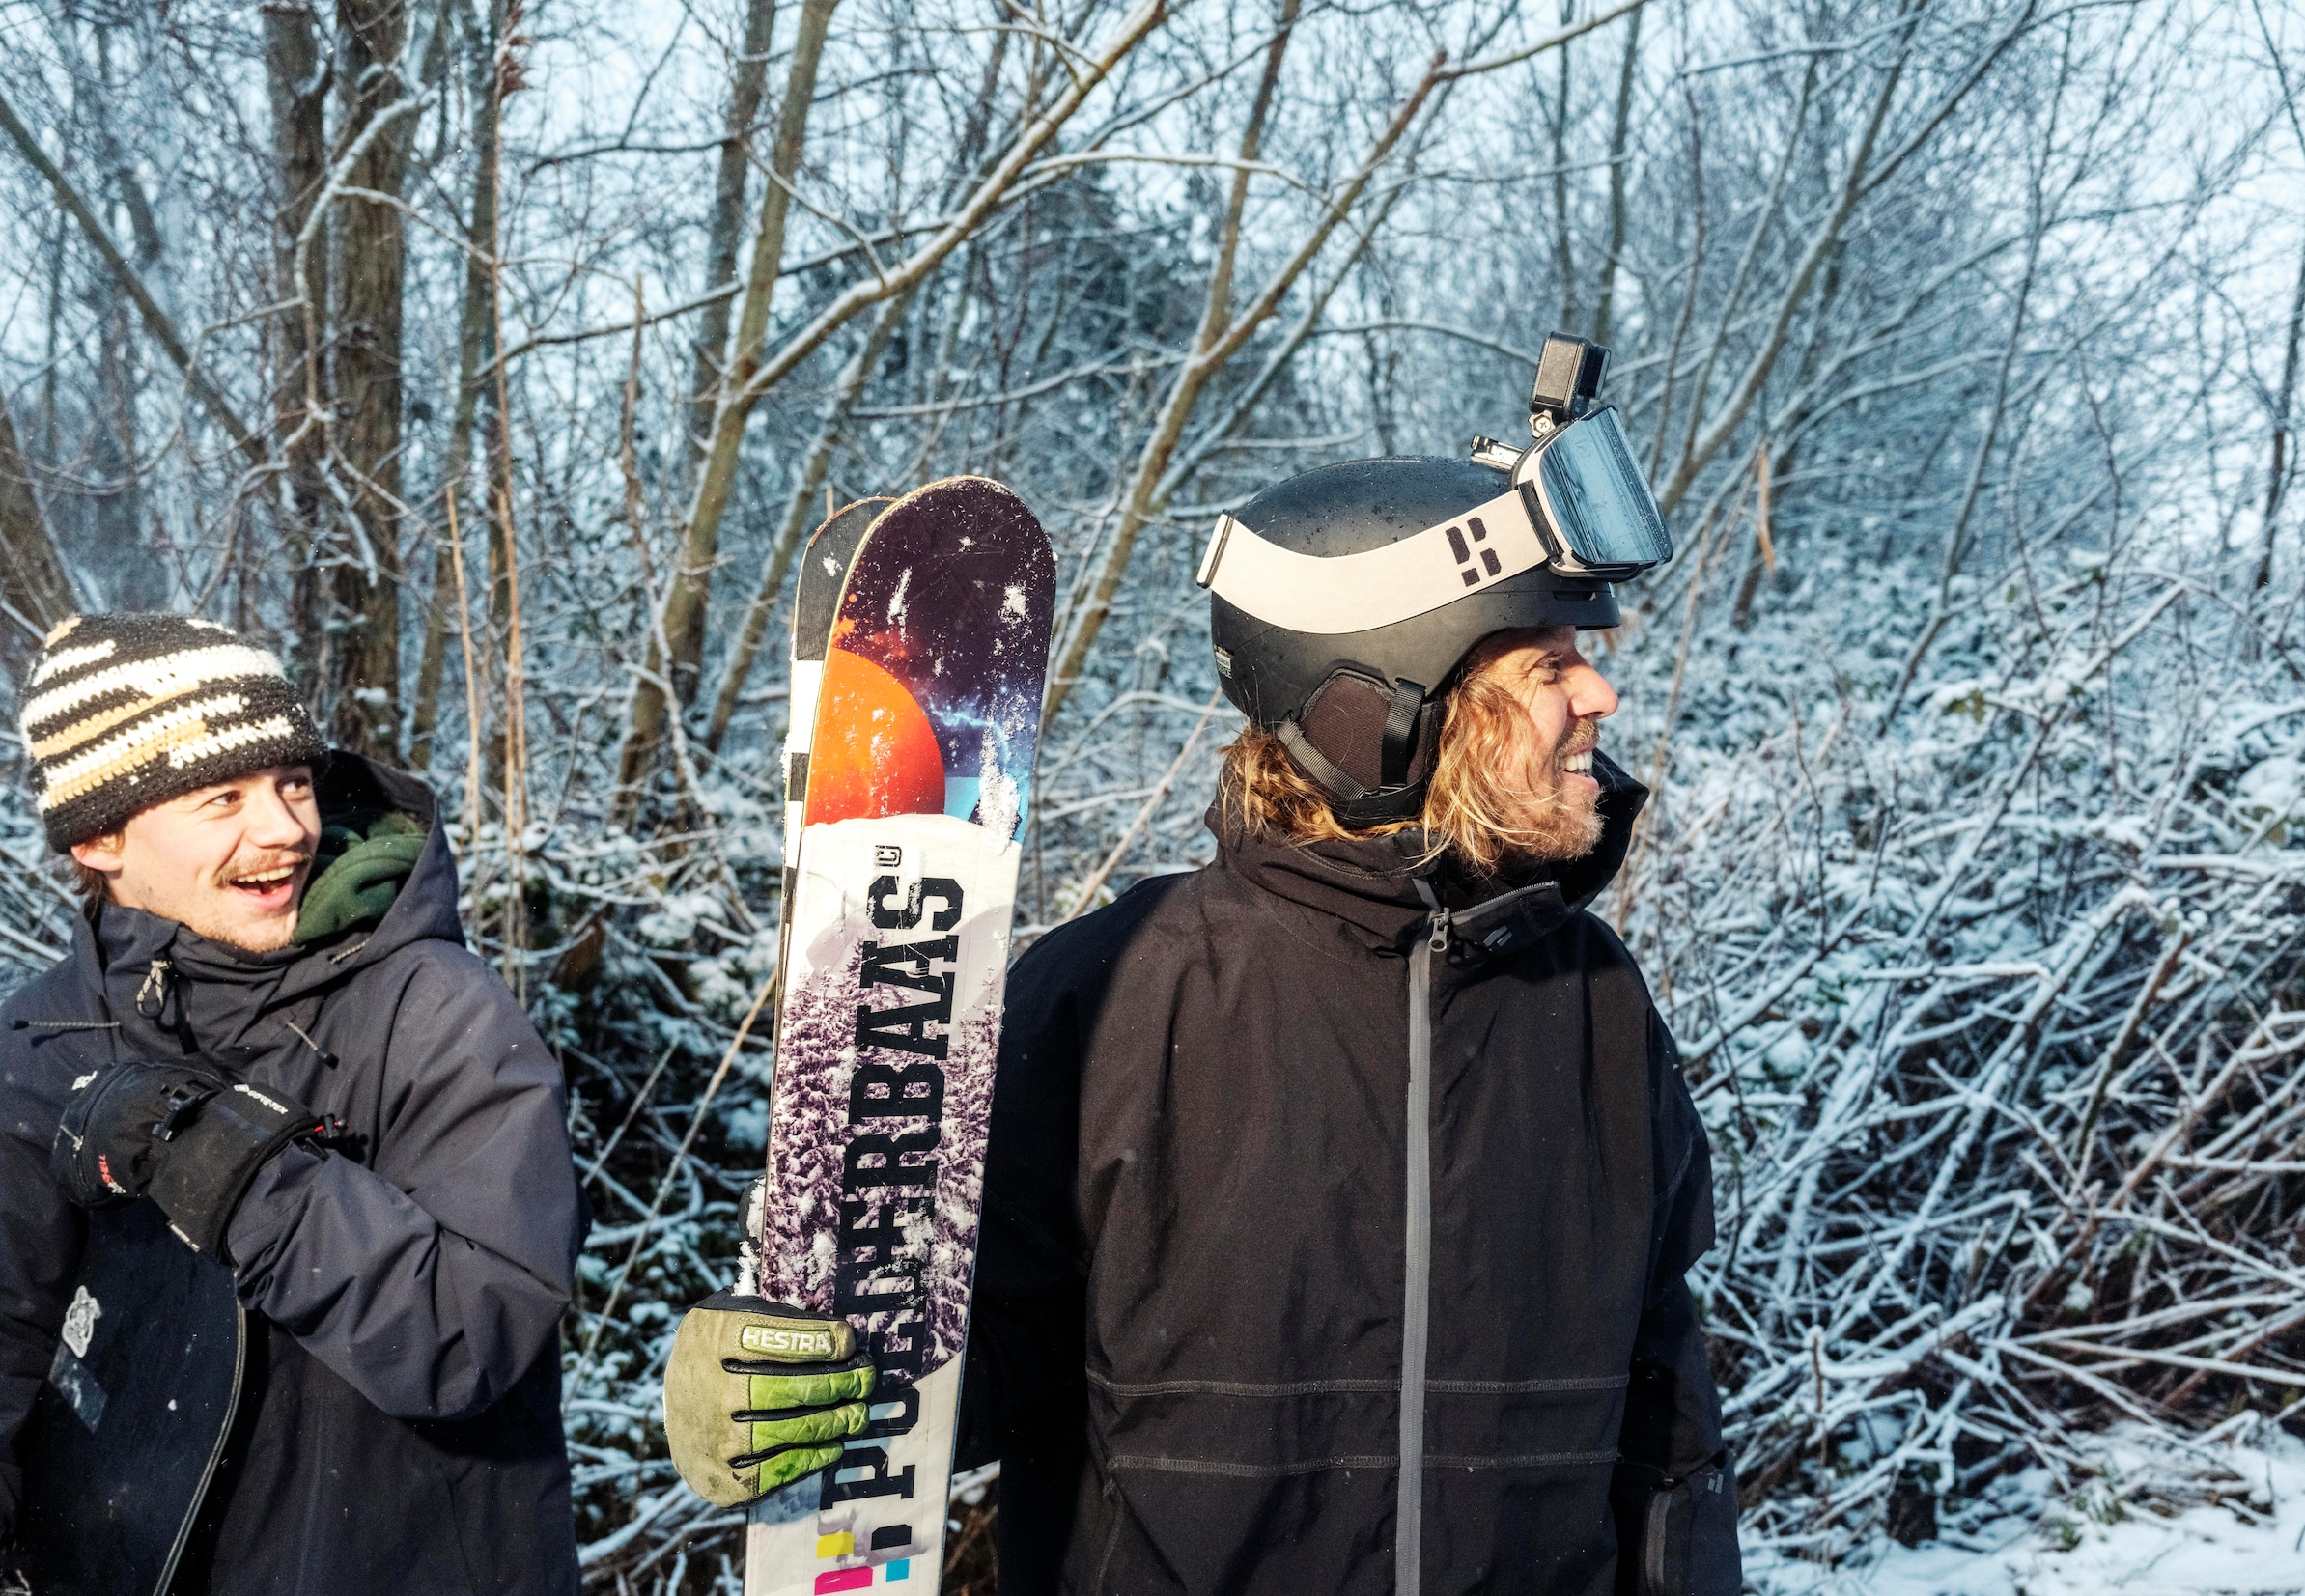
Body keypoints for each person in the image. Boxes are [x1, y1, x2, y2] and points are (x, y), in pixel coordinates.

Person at [662, 337, 1739, 1593]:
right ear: (1386, 703)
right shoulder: (1115, 995)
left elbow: (1664, 1420)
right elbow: (970, 1368)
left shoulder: (1593, 1005)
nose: (1600, 695)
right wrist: (806, 1386)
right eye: (1551, 663)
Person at [0, 613, 585, 1593]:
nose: (284, 828)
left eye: (293, 782)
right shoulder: (42, 1040)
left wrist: (232, 1165)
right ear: (100, 836)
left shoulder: (435, 1012)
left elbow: (472, 1332)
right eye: (223, 797)